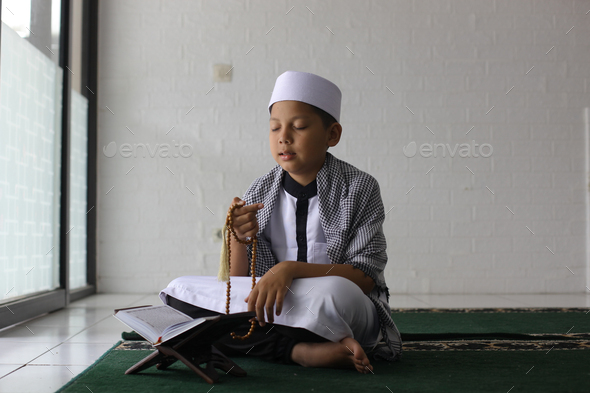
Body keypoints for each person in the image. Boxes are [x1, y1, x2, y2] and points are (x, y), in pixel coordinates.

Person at [159, 71, 402, 374]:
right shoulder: (258, 191)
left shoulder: (359, 187)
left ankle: (271, 344)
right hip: (274, 307)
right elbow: (241, 286)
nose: (283, 137)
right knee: (177, 292)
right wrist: (237, 237)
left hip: (334, 307)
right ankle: (300, 352)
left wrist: (288, 270)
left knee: (335, 294)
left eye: (298, 126)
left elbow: (365, 276)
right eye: (275, 128)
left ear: (332, 135)